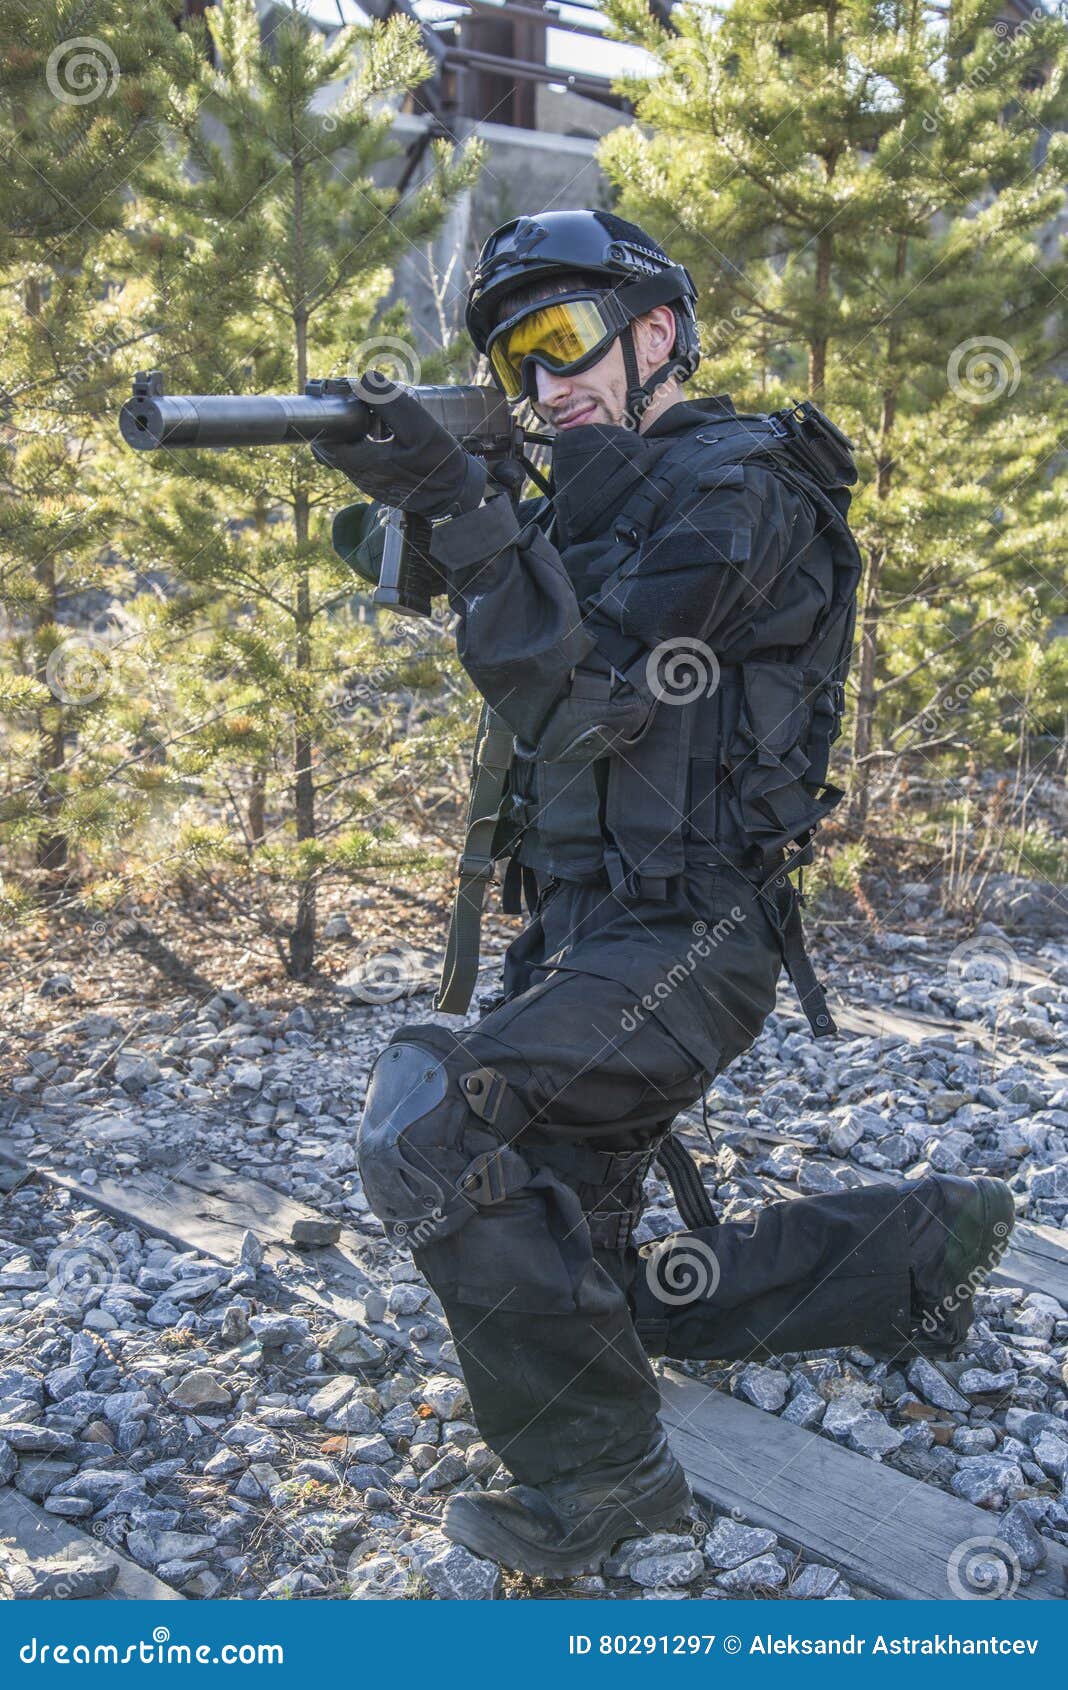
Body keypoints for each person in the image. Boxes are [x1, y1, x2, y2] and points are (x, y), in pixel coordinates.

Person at [312, 210, 1015, 1579]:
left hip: (690, 946)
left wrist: (468, 513)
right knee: (598, 1287)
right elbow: (482, 585)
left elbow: (584, 706)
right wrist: (421, 510)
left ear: (658, 333)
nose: (545, 380)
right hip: (580, 942)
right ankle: (919, 1248)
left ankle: (606, 1482)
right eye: (519, 360)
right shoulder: (599, 497)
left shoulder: (740, 492)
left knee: (432, 1121)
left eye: (566, 338)